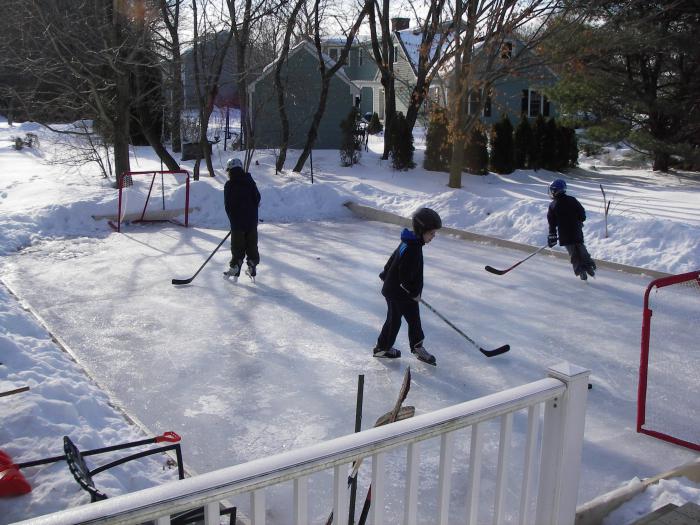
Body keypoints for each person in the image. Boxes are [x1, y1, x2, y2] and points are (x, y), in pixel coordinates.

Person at [373, 207, 442, 366]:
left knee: (413, 319)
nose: (433, 236)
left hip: (400, 291)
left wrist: (385, 273)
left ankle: (417, 347)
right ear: (422, 230)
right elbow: (404, 277)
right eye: (431, 233)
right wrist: (413, 292)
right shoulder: (413, 248)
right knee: (394, 321)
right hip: (399, 293)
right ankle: (382, 348)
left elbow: (392, 259)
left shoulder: (409, 241)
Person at [547, 178, 596, 280]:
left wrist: (552, 235)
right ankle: (589, 265)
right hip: (576, 231)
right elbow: (582, 214)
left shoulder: (553, 205)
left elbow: (552, 223)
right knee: (581, 248)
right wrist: (579, 220)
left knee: (573, 253)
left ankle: (580, 270)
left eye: (552, 190)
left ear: (555, 191)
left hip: (565, 234)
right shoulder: (572, 200)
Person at [223, 158, 261, 282]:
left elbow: (228, 206)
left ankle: (235, 266)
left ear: (230, 170)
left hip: (237, 224)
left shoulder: (229, 185)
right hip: (251, 222)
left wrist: (233, 221)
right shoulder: (250, 181)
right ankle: (252, 265)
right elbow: (257, 198)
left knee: (237, 248)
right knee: (252, 246)